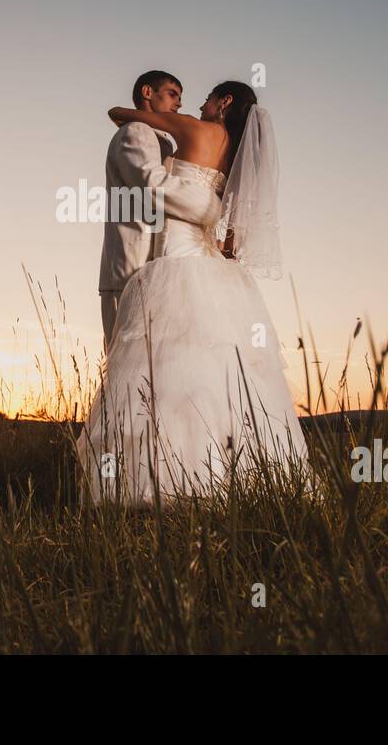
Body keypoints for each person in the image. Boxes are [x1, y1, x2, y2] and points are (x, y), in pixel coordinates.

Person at [76, 81, 315, 505]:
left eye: (206, 96)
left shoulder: (193, 129)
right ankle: (228, 480)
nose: (194, 103)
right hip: (212, 265)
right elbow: (230, 239)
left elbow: (122, 113)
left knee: (164, 371)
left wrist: (142, 115)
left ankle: (156, 483)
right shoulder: (238, 153)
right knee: (211, 373)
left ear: (223, 103)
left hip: (176, 258)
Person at [98, 70, 220, 349]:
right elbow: (152, 186)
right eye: (172, 94)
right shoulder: (135, 131)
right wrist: (210, 206)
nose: (178, 103)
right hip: (129, 270)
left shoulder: (163, 141)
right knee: (125, 368)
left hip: (151, 270)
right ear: (147, 93)